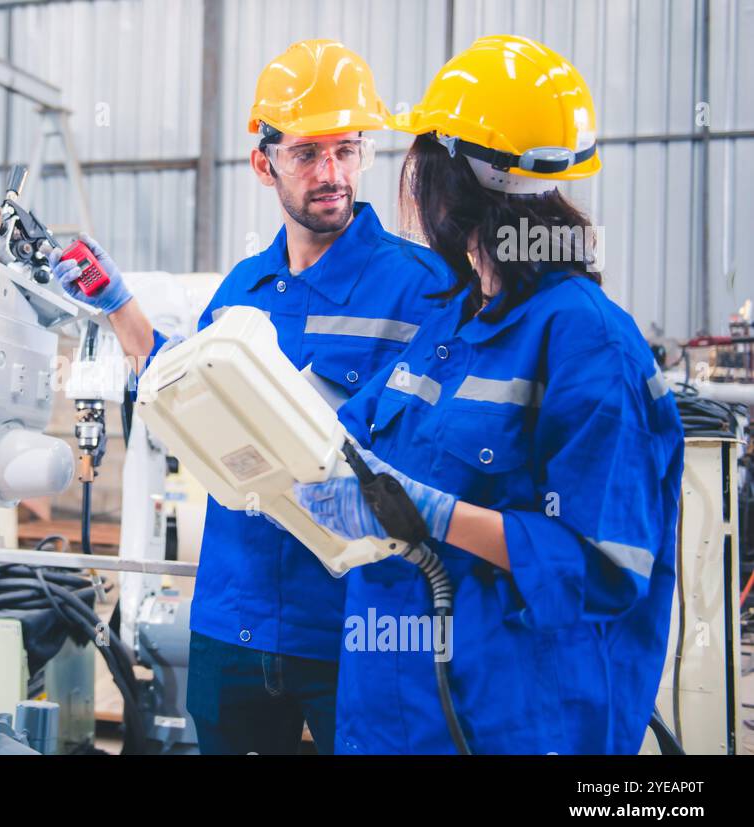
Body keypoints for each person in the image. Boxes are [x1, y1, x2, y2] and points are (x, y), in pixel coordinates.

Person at [49, 40, 451, 754]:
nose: (333, 175)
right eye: (307, 154)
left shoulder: (421, 287)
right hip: (231, 615)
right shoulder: (244, 288)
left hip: (355, 623)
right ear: (265, 163)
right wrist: (118, 306)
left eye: (347, 151)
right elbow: (187, 393)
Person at [292, 35, 685, 754]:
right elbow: (355, 438)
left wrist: (434, 513)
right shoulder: (453, 321)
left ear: (451, 180)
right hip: (390, 715)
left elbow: (604, 564)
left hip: (511, 724)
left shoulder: (587, 340)